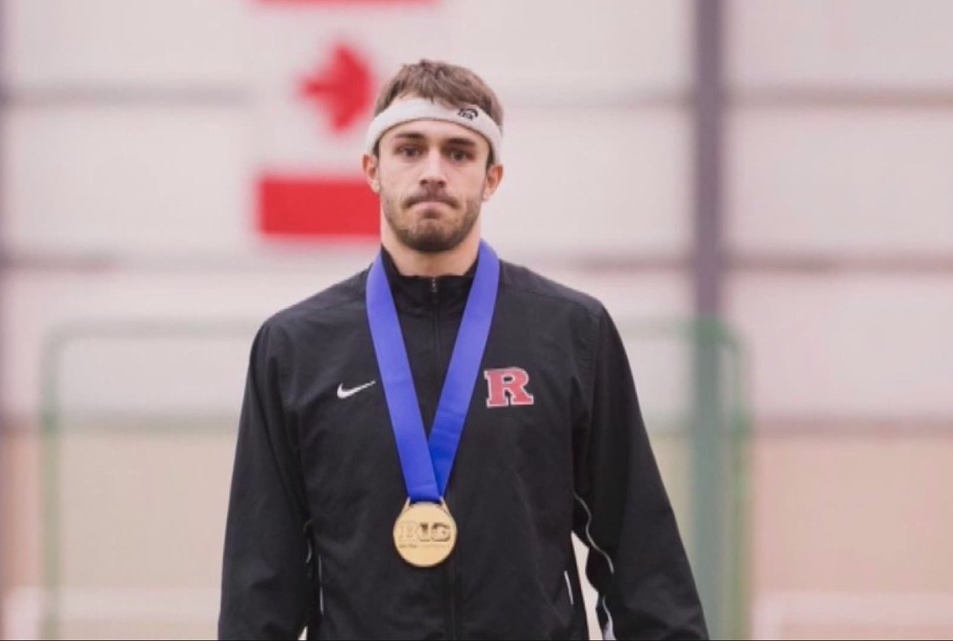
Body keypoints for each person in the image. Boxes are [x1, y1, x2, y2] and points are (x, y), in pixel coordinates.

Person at [219, 59, 706, 640]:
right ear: (372, 169)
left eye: (458, 152)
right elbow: (261, 579)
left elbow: (638, 551)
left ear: (491, 177)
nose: (433, 171)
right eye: (409, 149)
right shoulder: (296, 348)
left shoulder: (571, 332)